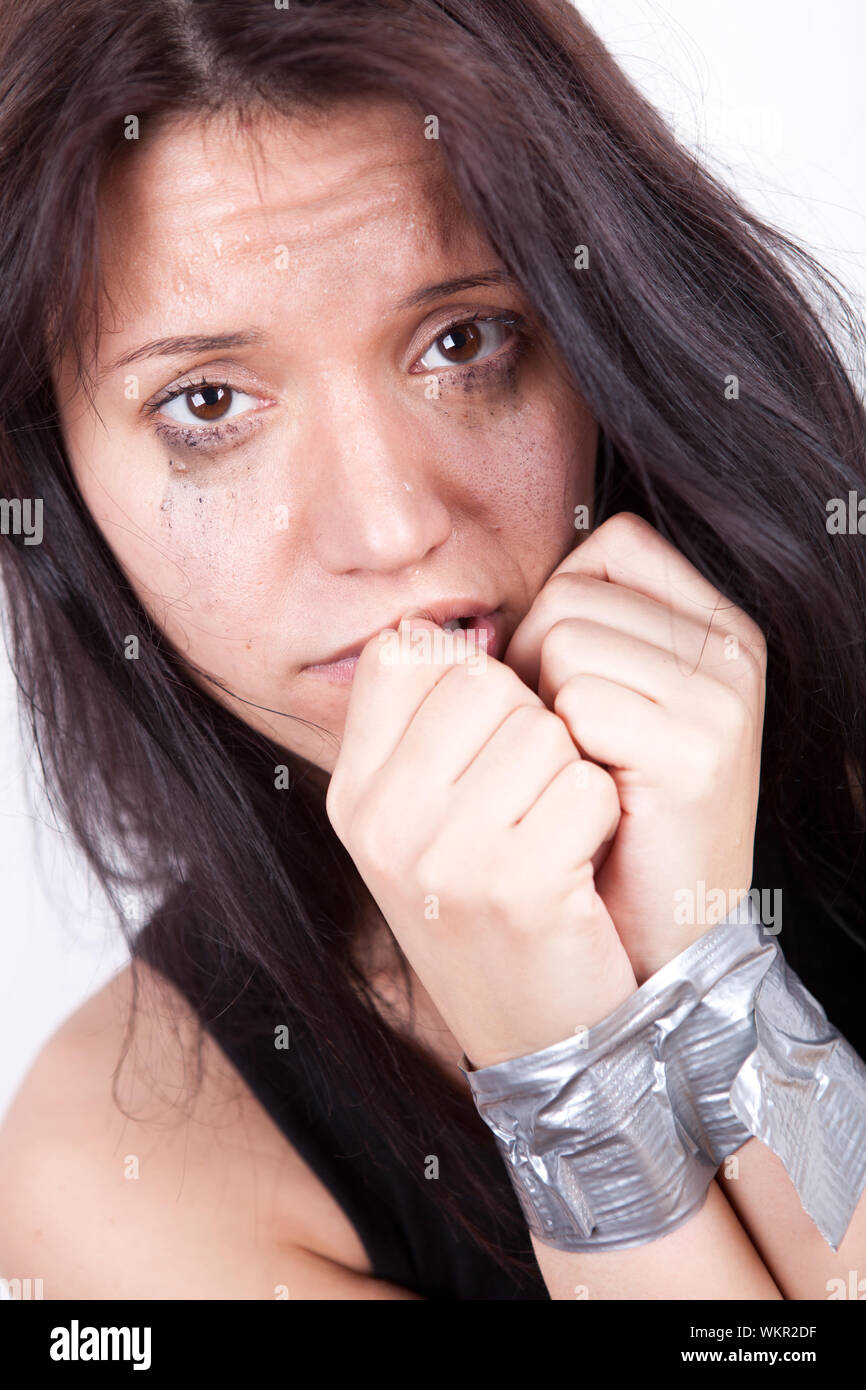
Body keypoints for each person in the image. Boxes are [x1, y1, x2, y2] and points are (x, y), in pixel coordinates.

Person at [0, 0, 865, 1301]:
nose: (395, 524)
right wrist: (568, 1057)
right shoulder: (122, 1162)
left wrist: (700, 970)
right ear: (53, 474)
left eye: (461, 341)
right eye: (210, 405)